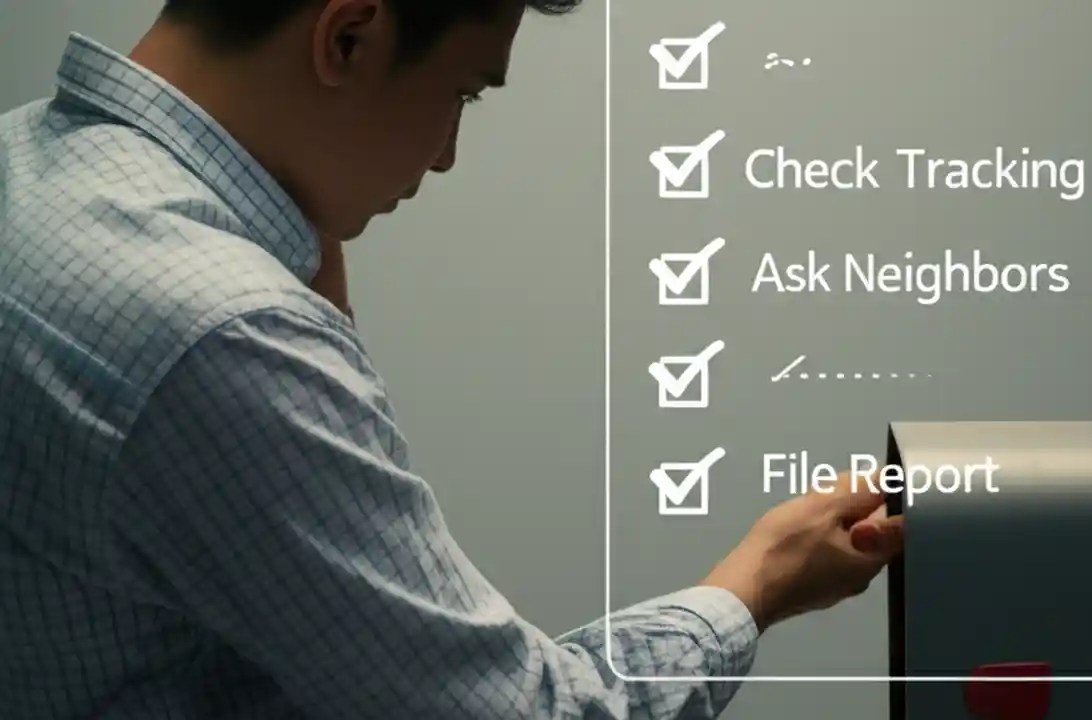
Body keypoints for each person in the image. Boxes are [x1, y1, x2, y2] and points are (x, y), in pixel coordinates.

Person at [0, 1, 904, 717]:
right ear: (350, 36)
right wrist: (754, 586)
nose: (446, 156)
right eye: (465, 93)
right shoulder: (225, 334)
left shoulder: (23, 165)